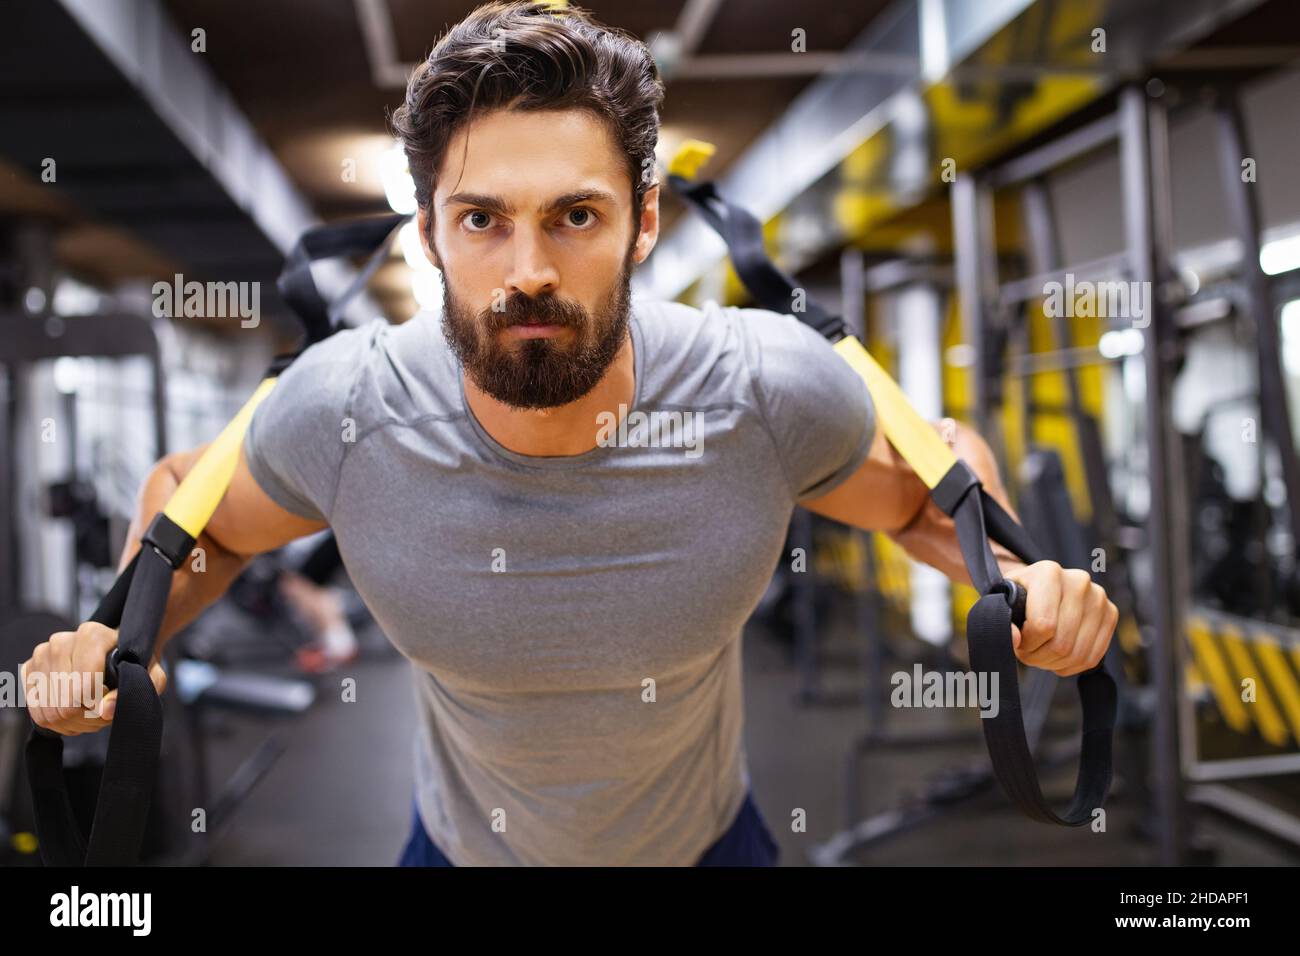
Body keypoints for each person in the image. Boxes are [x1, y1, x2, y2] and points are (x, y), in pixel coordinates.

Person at [21, 1, 1117, 866]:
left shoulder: (759, 385)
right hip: (456, 853)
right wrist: (123, 636)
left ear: (643, 220)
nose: (528, 269)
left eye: (575, 215)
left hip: (710, 848)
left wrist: (1018, 579)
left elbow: (933, 474)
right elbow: (191, 505)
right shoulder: (345, 403)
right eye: (482, 219)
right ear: (432, 236)